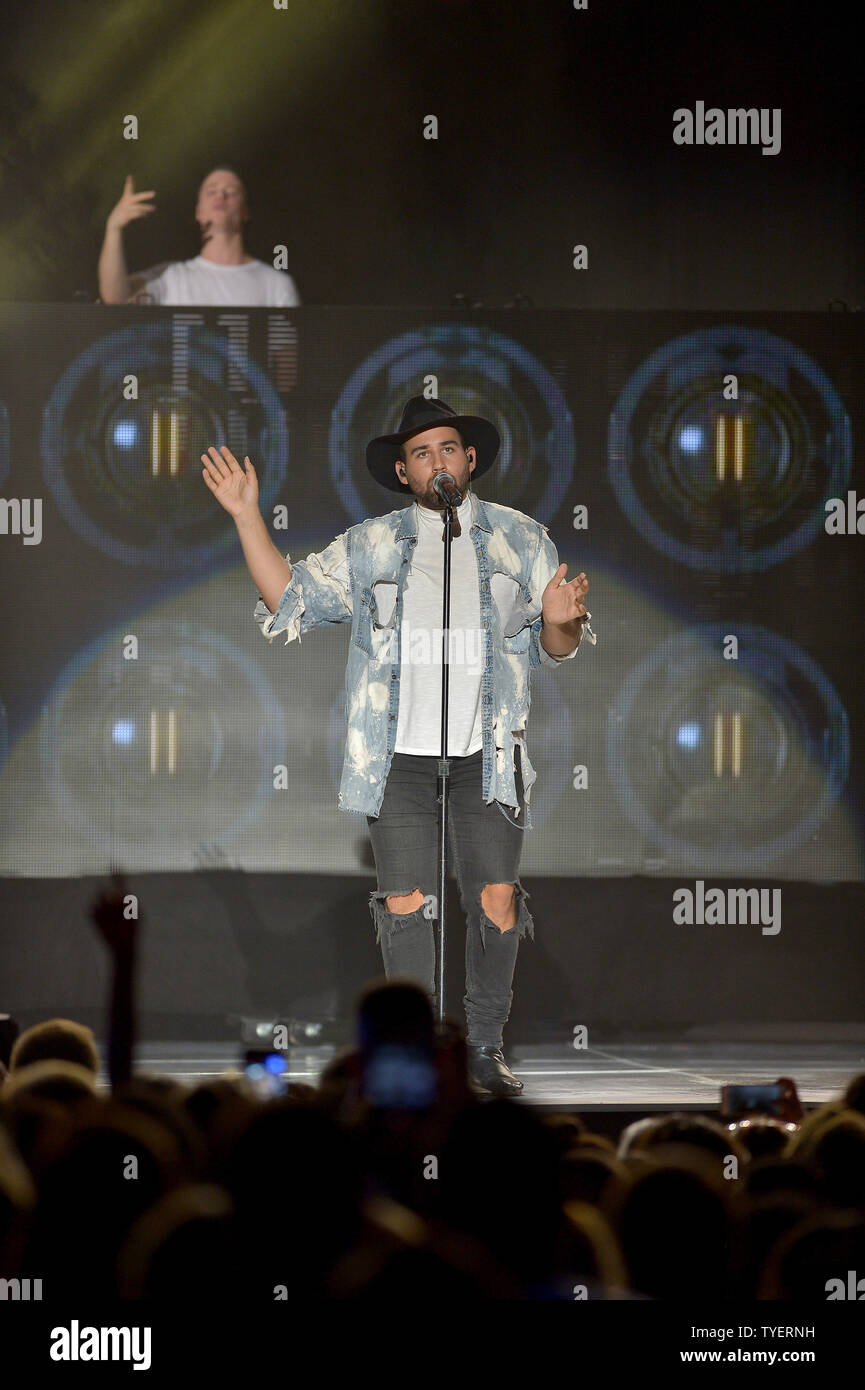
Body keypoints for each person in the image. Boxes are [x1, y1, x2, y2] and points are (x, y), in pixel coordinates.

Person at [200, 397, 595, 1097]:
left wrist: (562, 621)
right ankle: (415, 1053)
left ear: (468, 459)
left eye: (448, 448)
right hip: (399, 763)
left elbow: (556, 646)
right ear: (402, 471)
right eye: (421, 453)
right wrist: (244, 515)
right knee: (405, 907)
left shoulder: (520, 539)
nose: (436, 461)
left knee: (497, 901)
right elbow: (289, 598)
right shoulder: (369, 545)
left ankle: (480, 1048)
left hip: (487, 758)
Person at [97, 166, 300, 306]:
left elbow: (287, 365)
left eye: (231, 191)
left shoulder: (276, 284)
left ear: (245, 211)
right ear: (198, 212)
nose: (221, 196)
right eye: (211, 191)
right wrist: (113, 229)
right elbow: (116, 298)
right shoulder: (172, 277)